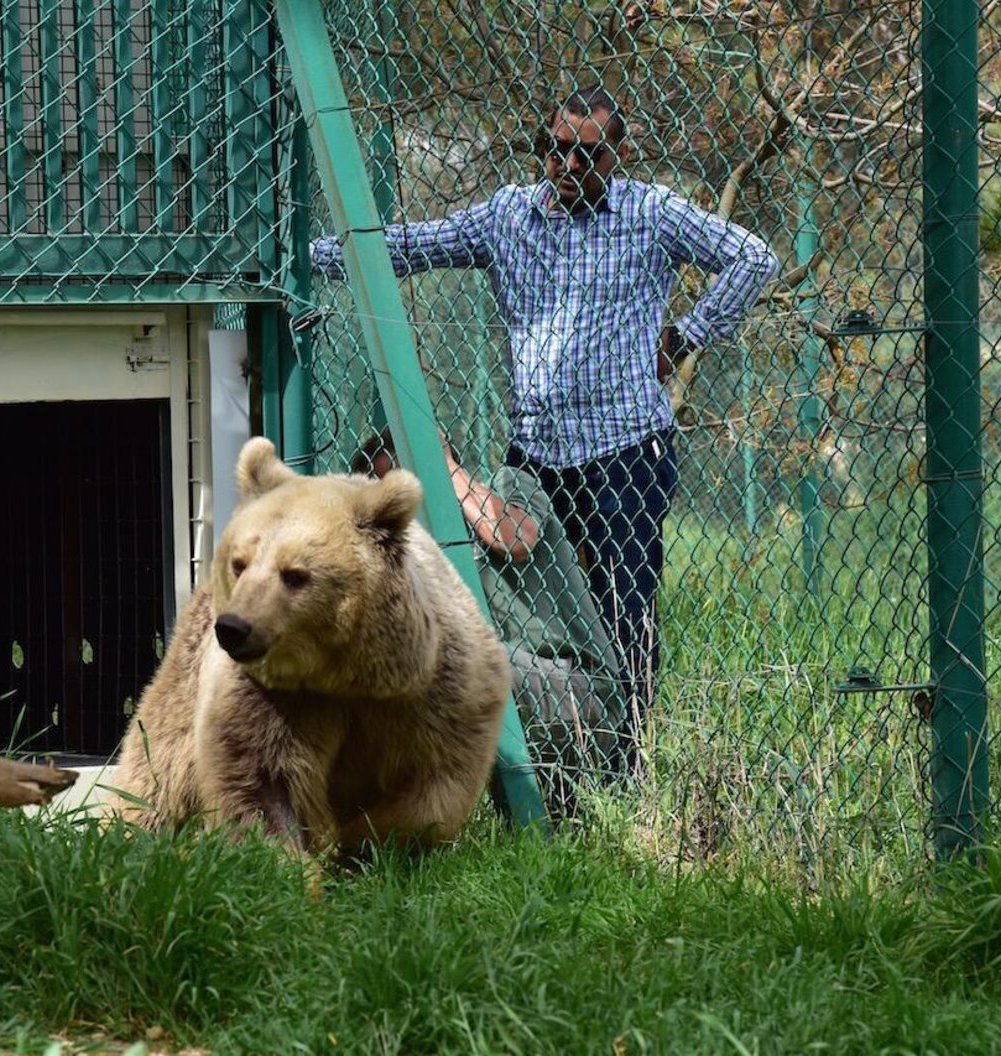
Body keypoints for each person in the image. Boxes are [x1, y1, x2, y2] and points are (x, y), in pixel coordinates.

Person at [314, 85, 779, 768]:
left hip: (625, 453)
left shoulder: (651, 212)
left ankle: (624, 762)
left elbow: (753, 258)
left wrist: (686, 335)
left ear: (617, 154)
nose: (567, 165)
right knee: (530, 610)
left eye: (587, 154)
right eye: (556, 149)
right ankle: (542, 762)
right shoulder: (509, 216)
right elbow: (409, 246)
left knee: (623, 610)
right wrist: (305, 256)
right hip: (535, 457)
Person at [353, 428, 635, 812]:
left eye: (403, 484)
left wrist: (441, 466)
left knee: (451, 657)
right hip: (506, 694)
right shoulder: (409, 559)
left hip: (580, 689)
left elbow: (515, 538)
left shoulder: (509, 482)